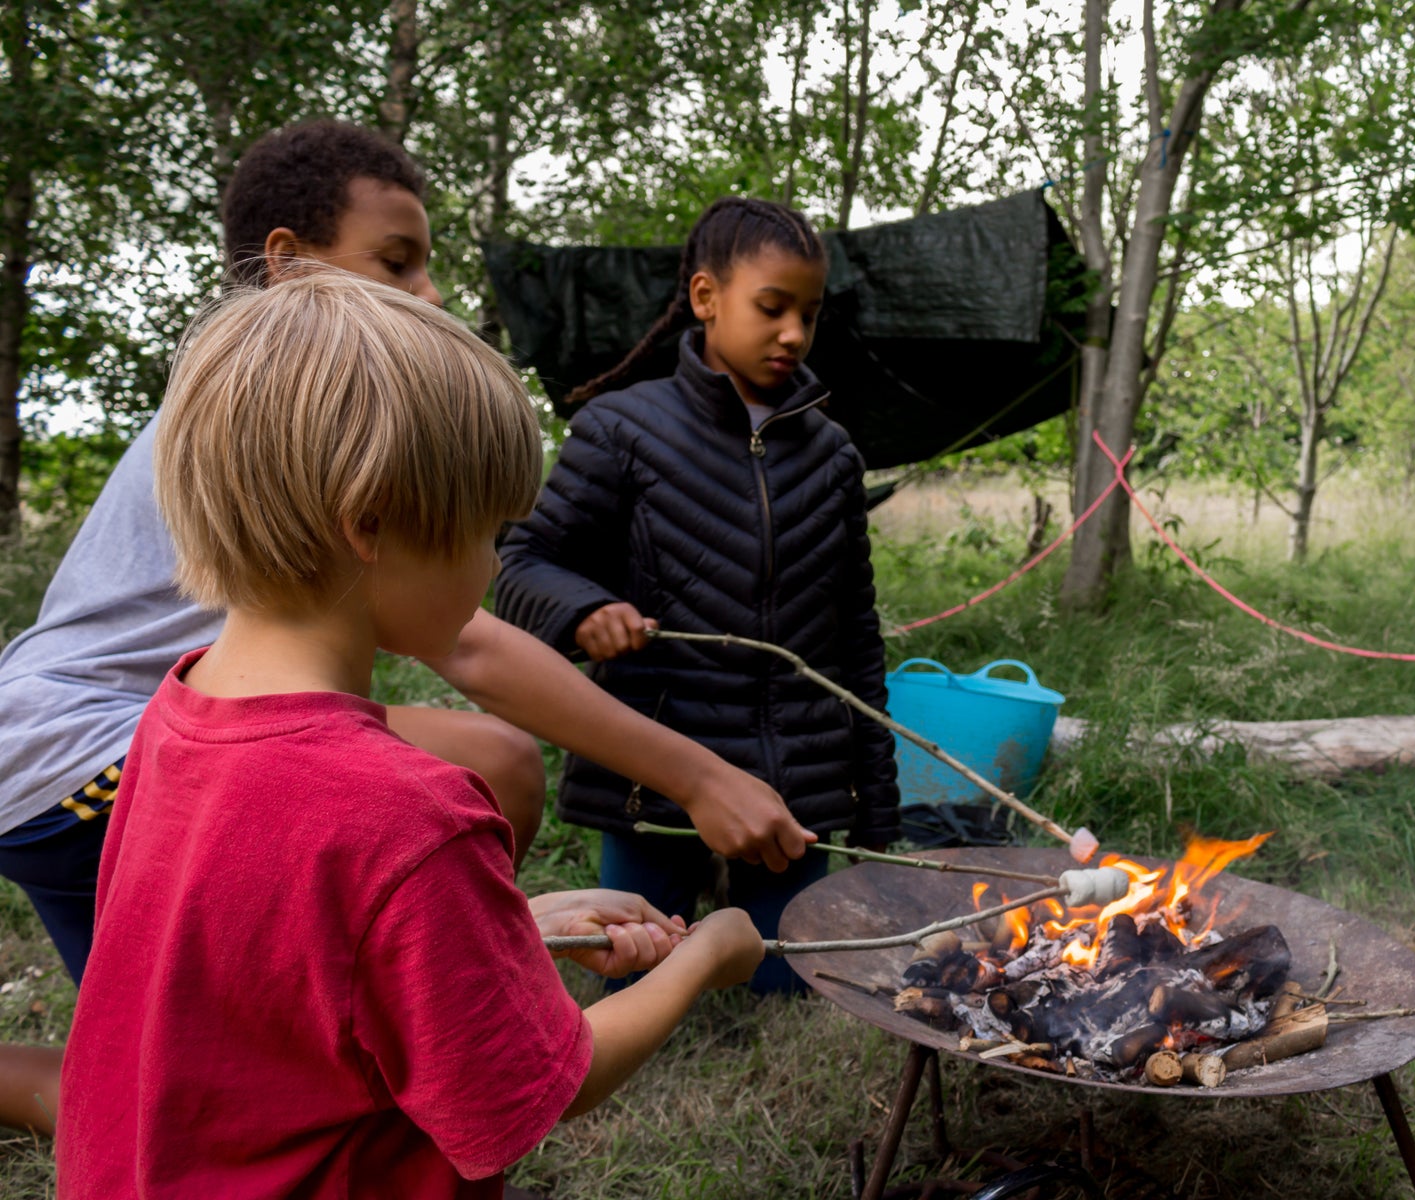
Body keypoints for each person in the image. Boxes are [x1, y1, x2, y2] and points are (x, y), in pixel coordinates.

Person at [0, 120, 809, 1134]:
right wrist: (699, 829)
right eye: (398, 262)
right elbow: (466, 642)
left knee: (172, 1070)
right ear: (286, 265)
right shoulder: (285, 438)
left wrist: (521, 916)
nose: (427, 291)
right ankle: (416, 1006)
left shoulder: (239, 420)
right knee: (494, 771)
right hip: (70, 753)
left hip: (114, 736)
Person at [495, 197, 899, 993]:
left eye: (809, 315)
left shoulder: (832, 457)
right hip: (653, 773)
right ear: (707, 297)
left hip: (796, 782)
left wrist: (878, 815)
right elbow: (523, 560)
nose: (793, 333)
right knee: (637, 973)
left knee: (782, 980)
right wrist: (585, 611)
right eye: (772, 307)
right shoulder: (621, 431)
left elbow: (856, 635)